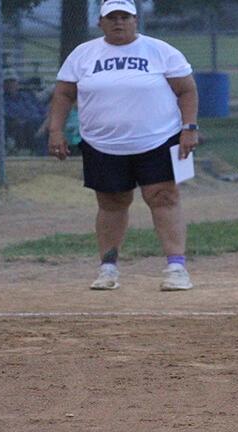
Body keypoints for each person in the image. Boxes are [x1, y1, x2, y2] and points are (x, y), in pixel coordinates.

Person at [46, 0, 199, 291]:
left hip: (158, 138)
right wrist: (56, 130)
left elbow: (187, 90)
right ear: (100, 23)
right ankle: (108, 268)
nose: (119, 22)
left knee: (164, 197)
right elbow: (64, 93)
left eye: (124, 17)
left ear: (135, 20)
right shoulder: (83, 54)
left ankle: (176, 267)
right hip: (102, 142)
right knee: (111, 202)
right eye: (112, 17)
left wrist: (189, 128)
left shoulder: (160, 51)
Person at [4, 69, 48, 154]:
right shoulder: (3, 101)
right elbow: (11, 118)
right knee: (36, 124)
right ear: (3, 85)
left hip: (41, 122)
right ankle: (43, 154)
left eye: (13, 81)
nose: (10, 84)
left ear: (17, 83)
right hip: (25, 127)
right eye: (7, 82)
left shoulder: (27, 95)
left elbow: (42, 109)